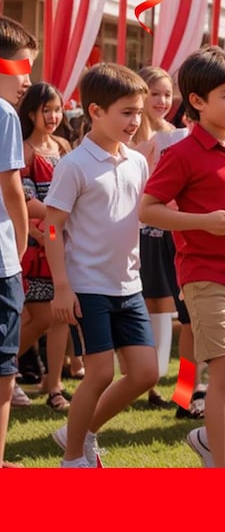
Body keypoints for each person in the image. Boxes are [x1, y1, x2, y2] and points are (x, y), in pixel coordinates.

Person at [139, 47, 225, 469]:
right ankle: (192, 409)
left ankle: (203, 428)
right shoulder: (178, 152)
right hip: (202, 277)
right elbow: (148, 209)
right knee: (222, 367)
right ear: (197, 101)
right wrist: (202, 221)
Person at [43, 64, 159, 467]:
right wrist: (62, 286)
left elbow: (143, 215)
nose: (135, 121)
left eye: (139, 112)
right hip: (87, 287)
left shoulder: (136, 162)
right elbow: (52, 227)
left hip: (129, 286)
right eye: (126, 112)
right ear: (95, 111)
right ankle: (73, 459)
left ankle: (79, 432)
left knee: (146, 373)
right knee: (99, 374)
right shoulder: (74, 165)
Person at [16, 82, 72, 412]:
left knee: (61, 317)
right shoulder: (23, 150)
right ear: (30, 113)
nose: (52, 116)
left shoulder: (63, 146)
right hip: (37, 243)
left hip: (62, 241)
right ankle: (6, 367)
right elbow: (23, 200)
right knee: (40, 318)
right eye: (45, 110)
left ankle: (54, 385)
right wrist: (44, 230)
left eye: (57, 109)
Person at [130, 65, 182, 410]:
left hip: (177, 231)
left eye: (167, 94)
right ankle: (148, 381)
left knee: (181, 310)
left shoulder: (176, 135)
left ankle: (186, 389)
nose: (162, 101)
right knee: (151, 304)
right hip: (141, 232)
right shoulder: (130, 137)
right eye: (155, 93)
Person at [0, 17, 33, 469]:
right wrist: (22, 242)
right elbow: (11, 187)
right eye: (22, 66)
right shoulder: (5, 114)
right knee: (3, 371)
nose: (28, 79)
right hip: (2, 262)